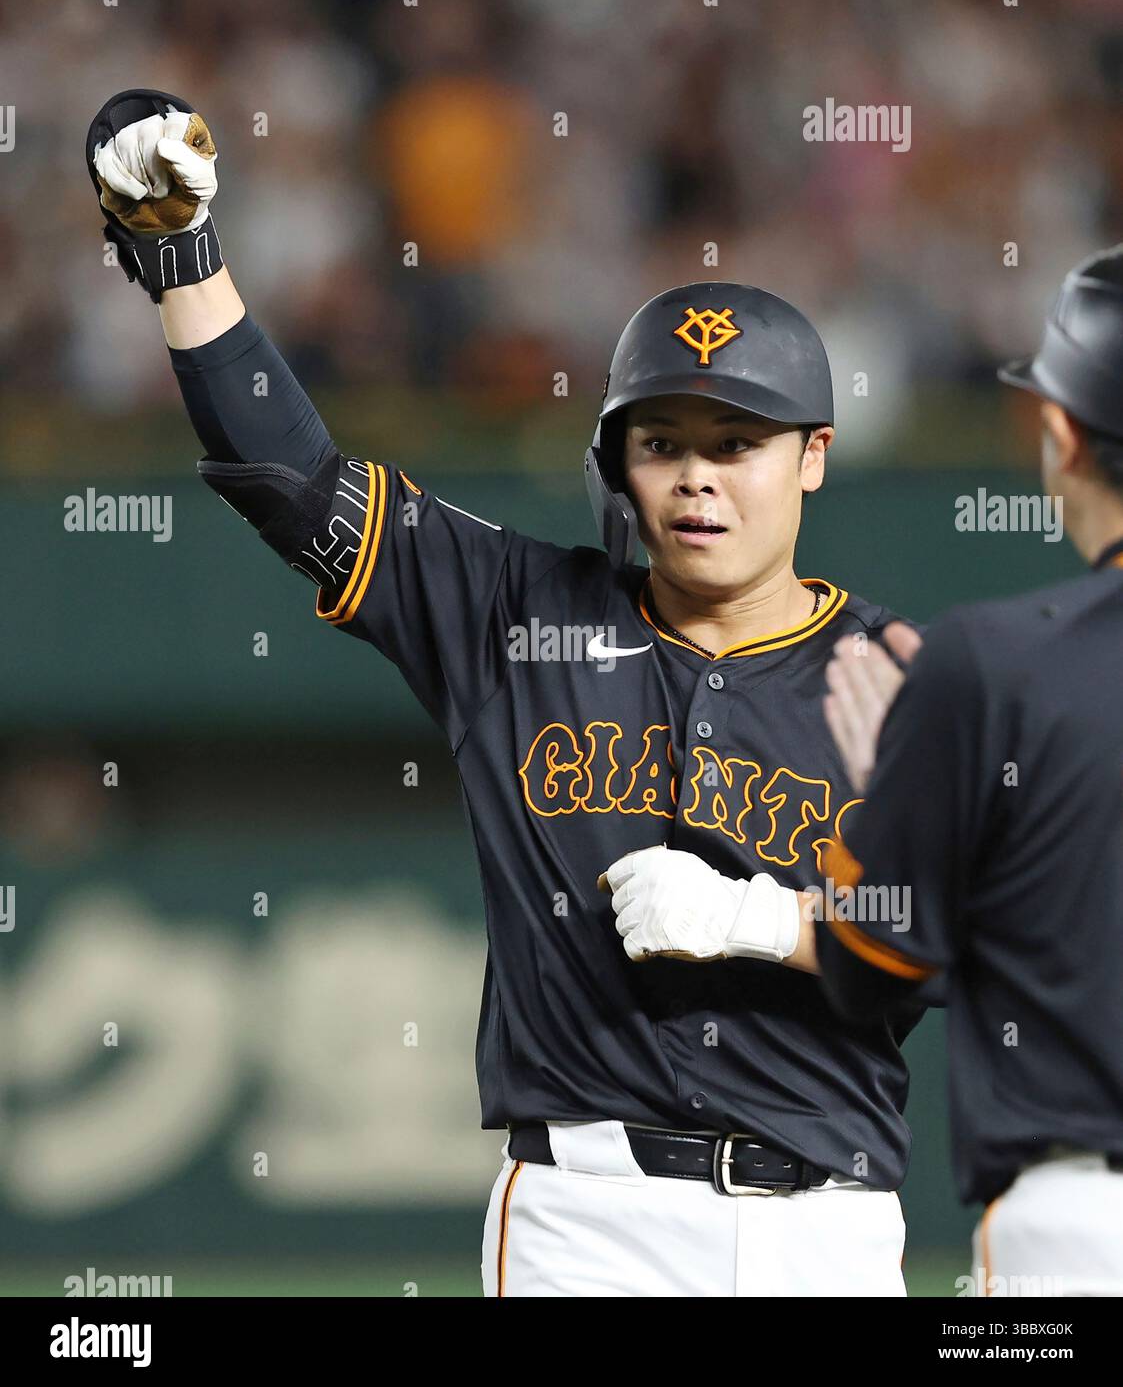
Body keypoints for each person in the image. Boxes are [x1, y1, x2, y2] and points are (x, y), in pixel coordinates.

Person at [88, 88, 924, 1297]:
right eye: (661, 443)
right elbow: (292, 483)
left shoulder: (895, 675)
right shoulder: (513, 618)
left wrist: (762, 922)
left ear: (813, 456)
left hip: (829, 1231)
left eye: (737, 443)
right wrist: (183, 261)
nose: (696, 479)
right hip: (590, 1223)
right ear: (618, 469)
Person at [813, 246, 1123, 1297]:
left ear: (1061, 433)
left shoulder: (993, 660)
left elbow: (867, 970)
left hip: (1077, 1229)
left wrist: (883, 801)